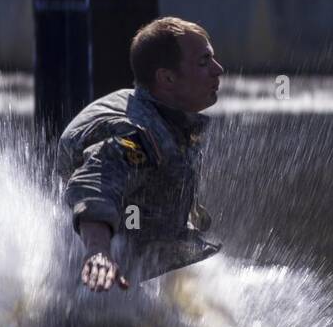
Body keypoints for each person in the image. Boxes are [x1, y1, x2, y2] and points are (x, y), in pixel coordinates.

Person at [60, 17, 225, 294]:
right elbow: (92, 185)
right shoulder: (137, 137)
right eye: (203, 62)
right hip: (95, 261)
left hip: (133, 242)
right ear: (167, 78)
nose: (218, 70)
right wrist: (98, 252)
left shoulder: (168, 115)